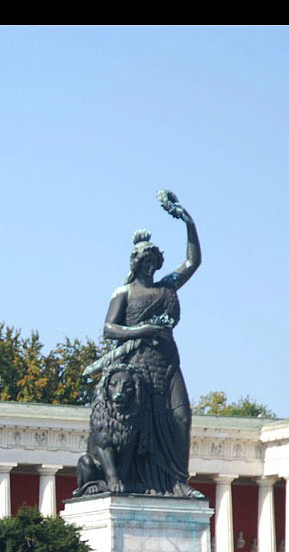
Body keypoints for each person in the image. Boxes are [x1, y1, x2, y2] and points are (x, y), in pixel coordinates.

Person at [88, 190, 201, 497]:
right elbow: (109, 329)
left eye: (154, 260)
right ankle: (142, 481)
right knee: (141, 429)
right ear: (136, 263)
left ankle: (177, 480)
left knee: (181, 416)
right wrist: (144, 329)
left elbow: (193, 261)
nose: (151, 266)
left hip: (167, 362)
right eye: (146, 261)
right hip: (136, 369)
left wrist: (188, 222)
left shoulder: (168, 286)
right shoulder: (123, 293)